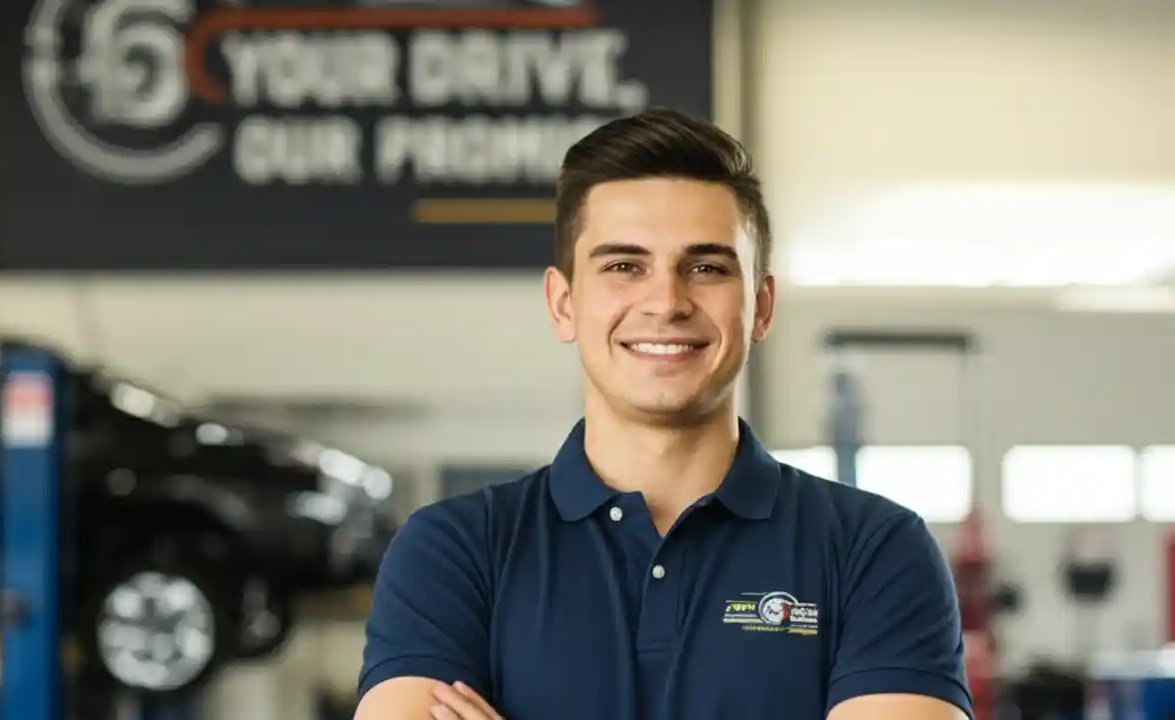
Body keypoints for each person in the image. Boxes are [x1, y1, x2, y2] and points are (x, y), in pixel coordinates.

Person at [354, 107, 973, 720]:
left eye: (705, 268)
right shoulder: (456, 551)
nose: (666, 302)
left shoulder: (874, 551)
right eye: (624, 266)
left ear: (760, 306)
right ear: (563, 303)